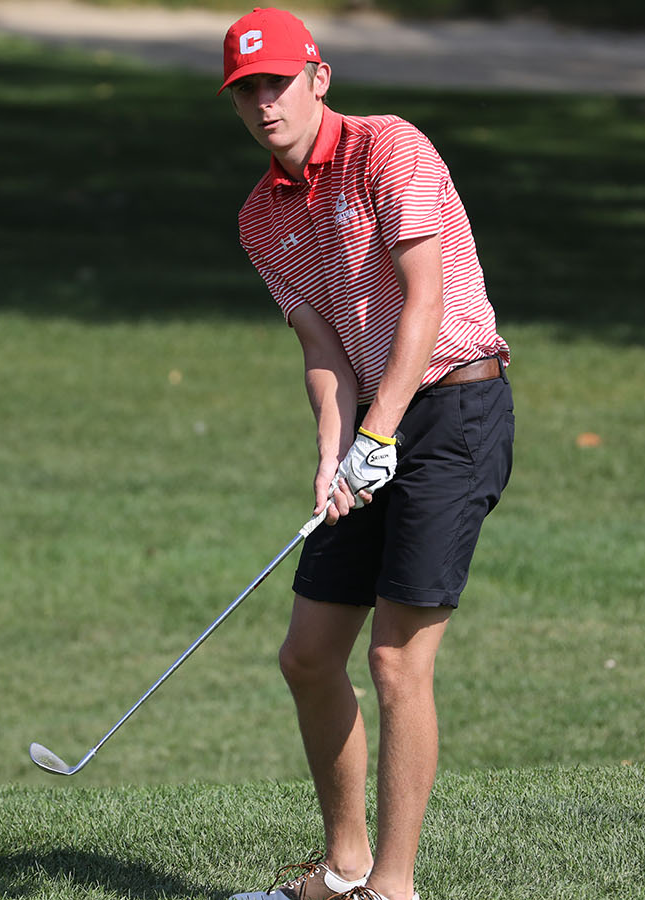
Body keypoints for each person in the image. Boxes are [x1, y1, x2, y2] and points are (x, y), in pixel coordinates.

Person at [219, 9, 514, 900]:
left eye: (278, 83)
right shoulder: (260, 219)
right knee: (308, 656)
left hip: (455, 408)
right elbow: (323, 348)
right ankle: (344, 871)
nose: (265, 104)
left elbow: (425, 302)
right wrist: (334, 451)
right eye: (246, 91)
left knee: (395, 660)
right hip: (374, 423)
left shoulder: (391, 149)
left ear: (319, 77)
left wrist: (378, 434)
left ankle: (393, 888)